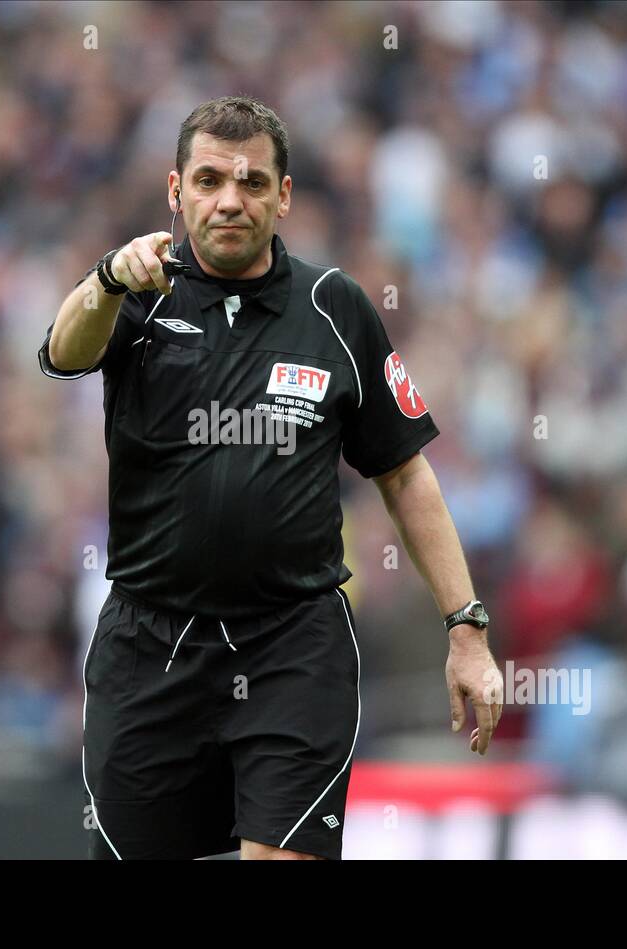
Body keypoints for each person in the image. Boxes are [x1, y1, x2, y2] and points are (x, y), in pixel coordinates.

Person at [40, 95, 502, 860]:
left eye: (253, 182)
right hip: (150, 645)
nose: (230, 199)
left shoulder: (334, 308)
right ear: (176, 190)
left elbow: (405, 475)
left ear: (283, 196)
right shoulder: (136, 294)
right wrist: (105, 280)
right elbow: (64, 353)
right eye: (210, 179)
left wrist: (467, 628)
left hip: (293, 645)